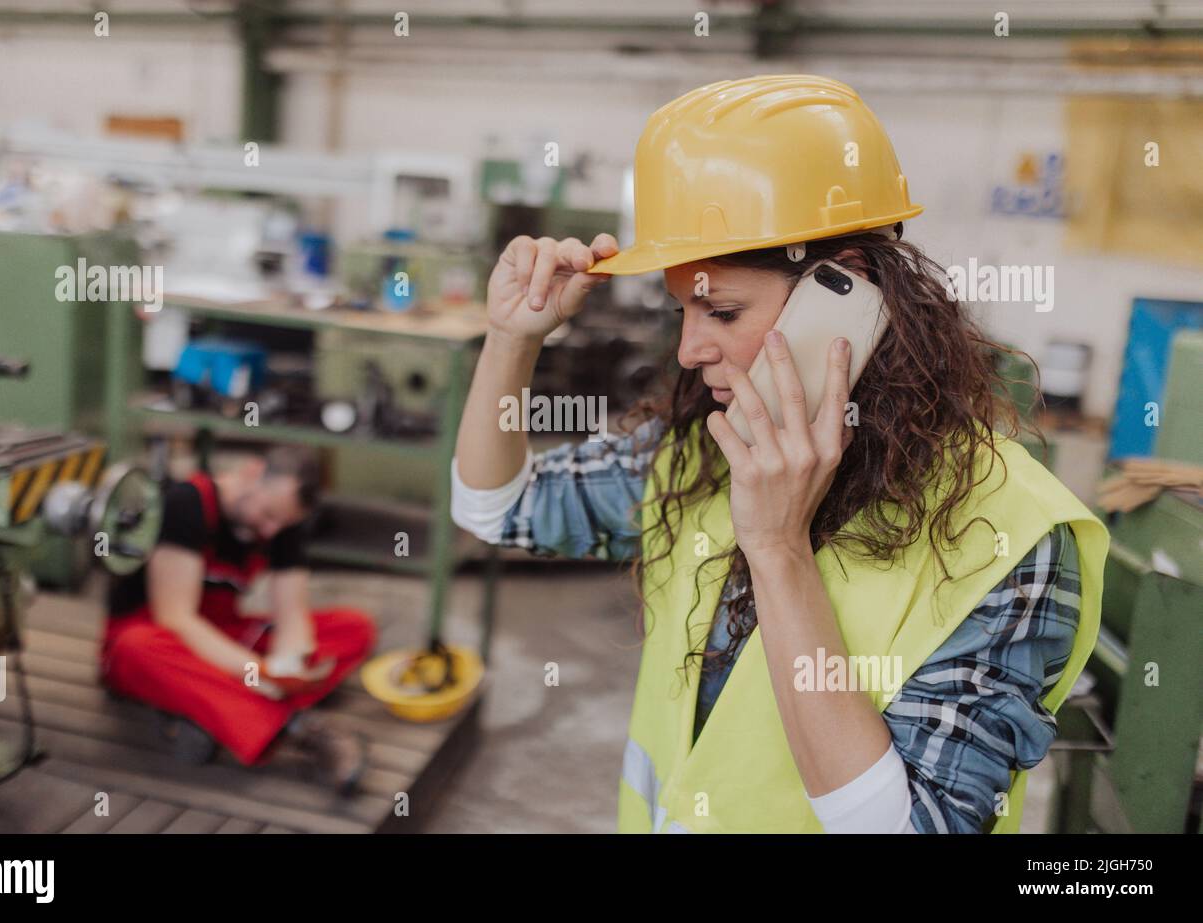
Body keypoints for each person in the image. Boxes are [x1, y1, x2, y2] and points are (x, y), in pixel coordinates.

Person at [450, 75, 1108, 833]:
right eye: (682, 311)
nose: (691, 348)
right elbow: (497, 507)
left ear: (847, 294)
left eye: (721, 310)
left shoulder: (1008, 536)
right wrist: (511, 339)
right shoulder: (702, 449)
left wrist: (776, 546)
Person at [103, 445, 377, 796]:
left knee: (354, 627)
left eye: (281, 523)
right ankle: (299, 727)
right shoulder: (188, 503)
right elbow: (176, 618)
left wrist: (287, 663)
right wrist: (259, 672)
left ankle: (208, 710)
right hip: (159, 641)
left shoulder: (282, 525)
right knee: (135, 648)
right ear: (251, 472)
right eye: (266, 514)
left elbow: (292, 616)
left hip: (224, 638)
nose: (271, 529)